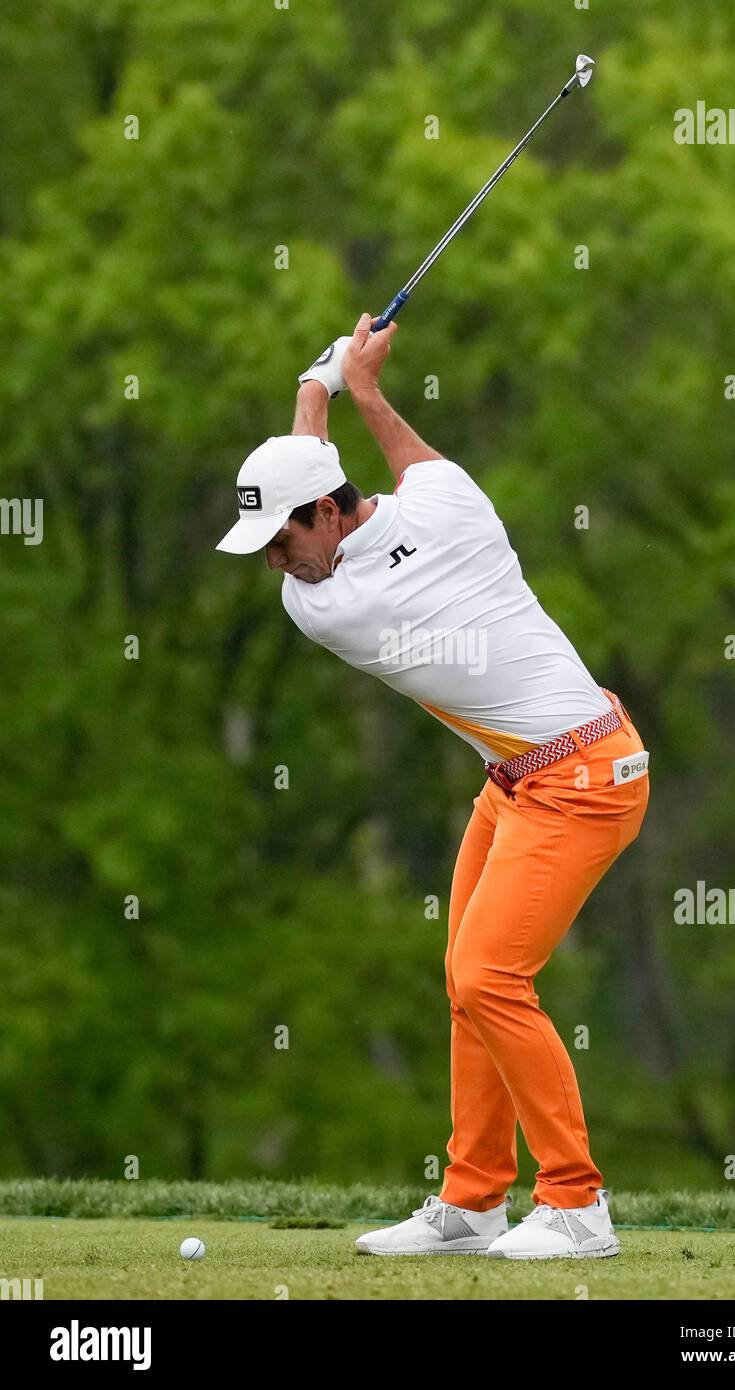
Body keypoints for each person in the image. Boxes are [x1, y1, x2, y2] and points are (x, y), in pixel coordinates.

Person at [215, 313, 650, 1259]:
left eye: (277, 540)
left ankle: (577, 1205)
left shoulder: (333, 603)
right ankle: (474, 1201)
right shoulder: (451, 500)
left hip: (587, 779)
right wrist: (342, 388)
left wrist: (323, 387)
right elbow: (397, 465)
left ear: (328, 511)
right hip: (520, 781)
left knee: (490, 974)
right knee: (467, 985)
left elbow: (322, 477)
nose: (273, 565)